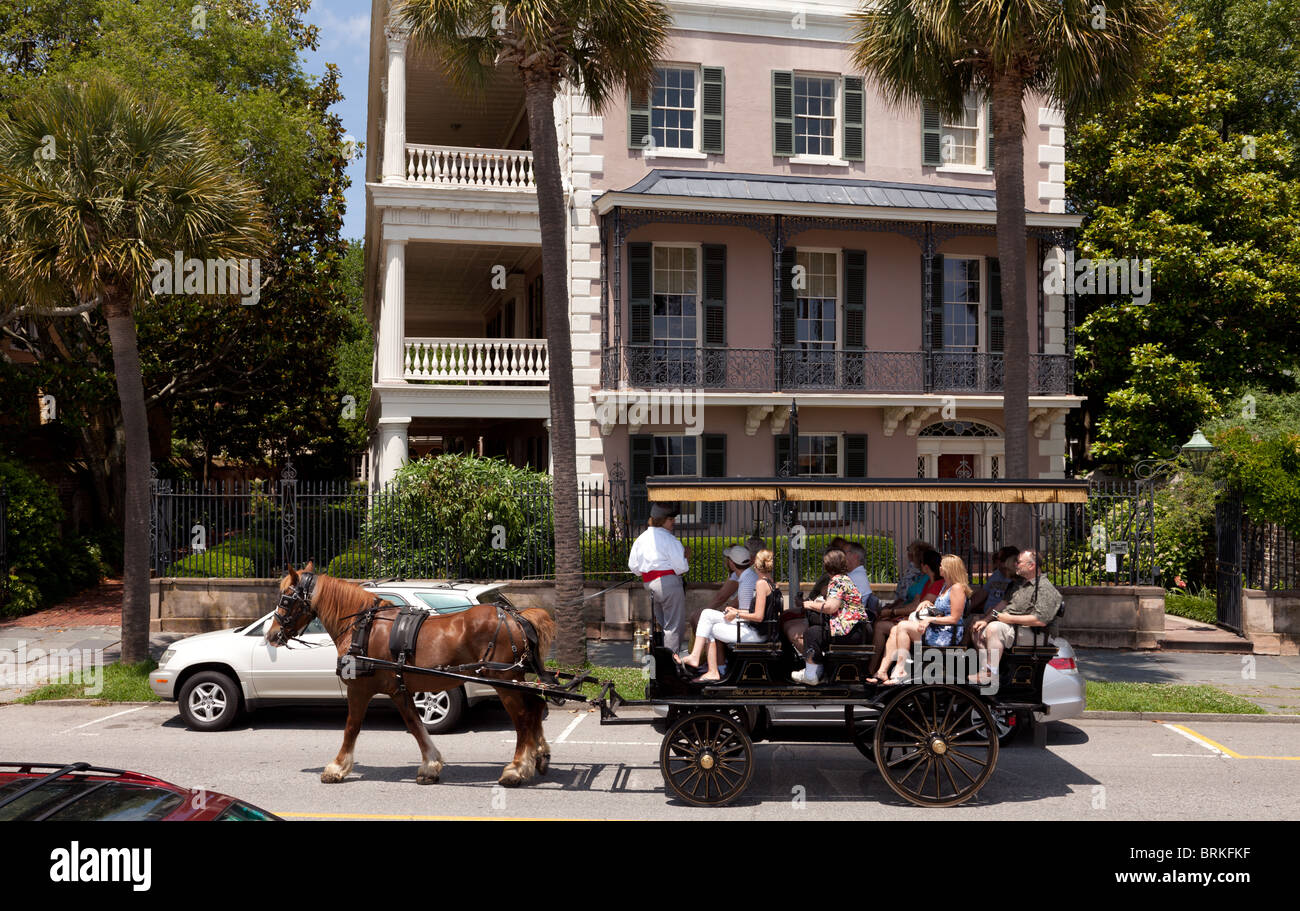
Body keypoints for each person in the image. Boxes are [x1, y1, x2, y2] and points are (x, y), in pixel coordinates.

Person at [871, 553, 972, 685]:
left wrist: (929, 620)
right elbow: (942, 611)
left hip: (946, 634)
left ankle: (901, 669)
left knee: (903, 626)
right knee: (896, 629)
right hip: (938, 628)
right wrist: (929, 605)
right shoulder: (944, 586)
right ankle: (882, 671)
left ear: (949, 568)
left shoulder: (957, 588)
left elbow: (954, 618)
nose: (939, 567)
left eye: (942, 565)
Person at [681, 549, 780, 682]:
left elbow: (758, 616)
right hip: (760, 631)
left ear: (755, 565)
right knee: (706, 616)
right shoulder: (772, 583)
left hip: (755, 633)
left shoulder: (761, 584)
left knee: (708, 624)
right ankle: (704, 663)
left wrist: (737, 613)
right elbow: (758, 613)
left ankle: (710, 668)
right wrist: (735, 611)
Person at [970, 549, 1064, 684]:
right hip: (1015, 628)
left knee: (995, 628)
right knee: (977, 627)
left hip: (1036, 634)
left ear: (1031, 566)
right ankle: (989, 669)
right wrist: (985, 620)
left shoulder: (1045, 588)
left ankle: (990, 673)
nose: (1015, 565)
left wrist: (1008, 619)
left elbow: (1040, 620)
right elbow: (1002, 605)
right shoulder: (1018, 585)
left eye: (1019, 562)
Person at [792, 549, 876, 686]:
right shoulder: (845, 579)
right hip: (857, 630)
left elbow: (831, 607)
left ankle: (811, 674)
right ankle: (816, 670)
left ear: (827, 566)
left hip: (850, 632)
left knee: (811, 633)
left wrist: (809, 604)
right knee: (816, 629)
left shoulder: (837, 582)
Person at [627, 503, 691, 654]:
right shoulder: (670, 540)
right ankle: (672, 662)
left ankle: (663, 660)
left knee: (663, 623)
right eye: (671, 519)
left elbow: (634, 567)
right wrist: (686, 556)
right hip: (668, 584)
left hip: (649, 585)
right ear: (662, 520)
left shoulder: (641, 539)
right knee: (674, 626)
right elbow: (682, 568)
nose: (674, 522)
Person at [868, 548, 943, 676]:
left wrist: (893, 612)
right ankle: (881, 670)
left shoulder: (937, 584)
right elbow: (915, 602)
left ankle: (877, 668)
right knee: (889, 627)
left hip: (927, 624)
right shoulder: (928, 583)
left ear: (925, 566)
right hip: (918, 619)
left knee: (882, 626)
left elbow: (919, 607)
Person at [688, 545, 751, 638]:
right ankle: (703, 651)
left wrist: (726, 612)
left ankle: (701, 651)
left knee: (702, 618)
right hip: (741, 617)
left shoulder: (744, 578)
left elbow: (722, 598)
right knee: (704, 617)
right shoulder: (746, 576)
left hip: (744, 621)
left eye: (728, 559)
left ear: (732, 563)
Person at [967, 546, 1021, 617]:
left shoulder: (1018, 583)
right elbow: (982, 594)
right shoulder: (997, 574)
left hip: (1002, 618)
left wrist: (988, 617)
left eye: (999, 558)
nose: (996, 561)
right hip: (991, 615)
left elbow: (1006, 610)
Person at [845, 542, 874, 620]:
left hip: (848, 620)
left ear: (855, 556)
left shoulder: (855, 577)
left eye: (845, 553)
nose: (842, 556)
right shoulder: (854, 574)